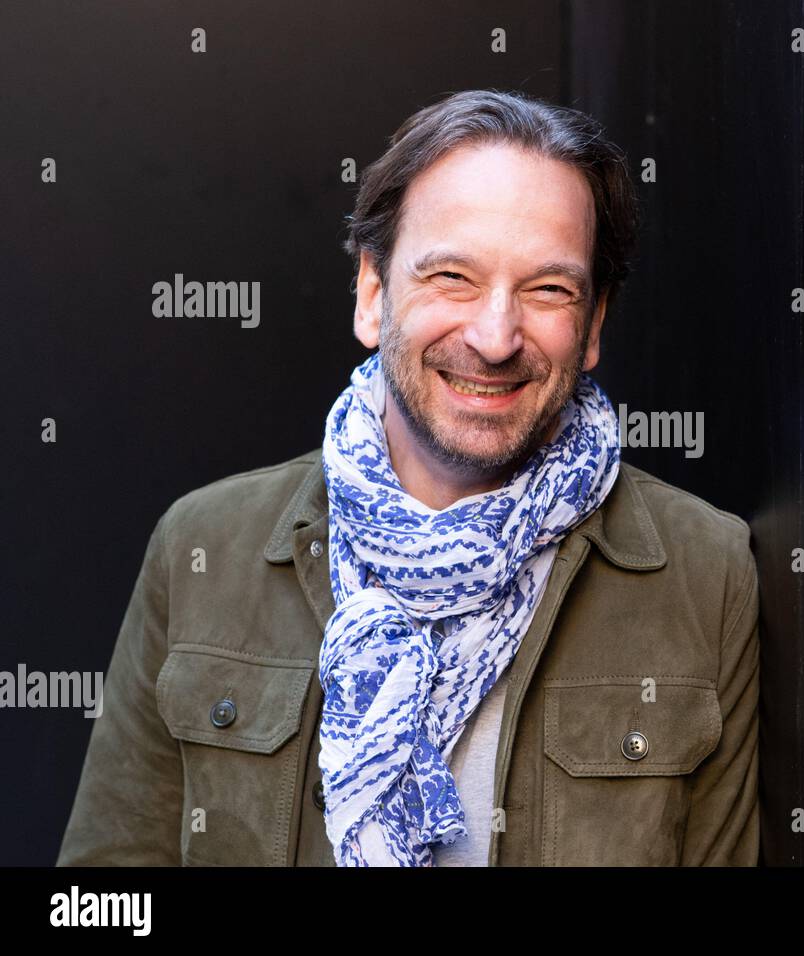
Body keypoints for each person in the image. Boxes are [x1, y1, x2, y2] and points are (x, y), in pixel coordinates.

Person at [57, 89, 760, 867]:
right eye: (452, 277)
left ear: (592, 325)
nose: (495, 336)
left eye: (548, 289)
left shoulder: (706, 573)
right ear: (372, 292)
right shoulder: (202, 548)